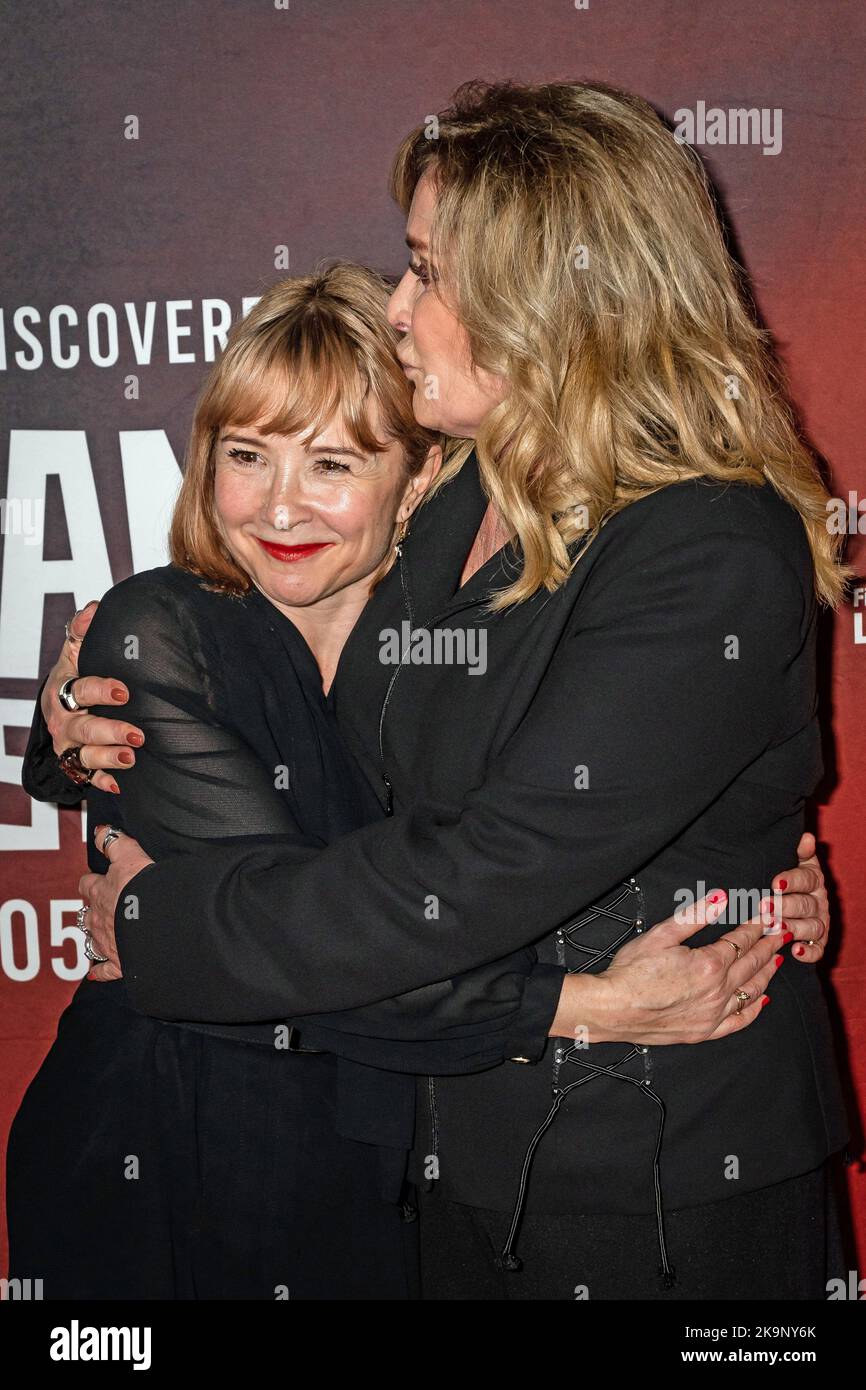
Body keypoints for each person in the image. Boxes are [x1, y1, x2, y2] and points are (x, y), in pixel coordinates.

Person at [20, 81, 847, 1301]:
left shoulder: (705, 547)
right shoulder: (452, 501)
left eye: (426, 272)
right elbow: (307, 732)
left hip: (655, 1193)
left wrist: (164, 924)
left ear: (549, 297)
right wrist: (78, 728)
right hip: (435, 1172)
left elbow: (477, 868)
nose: (397, 310)